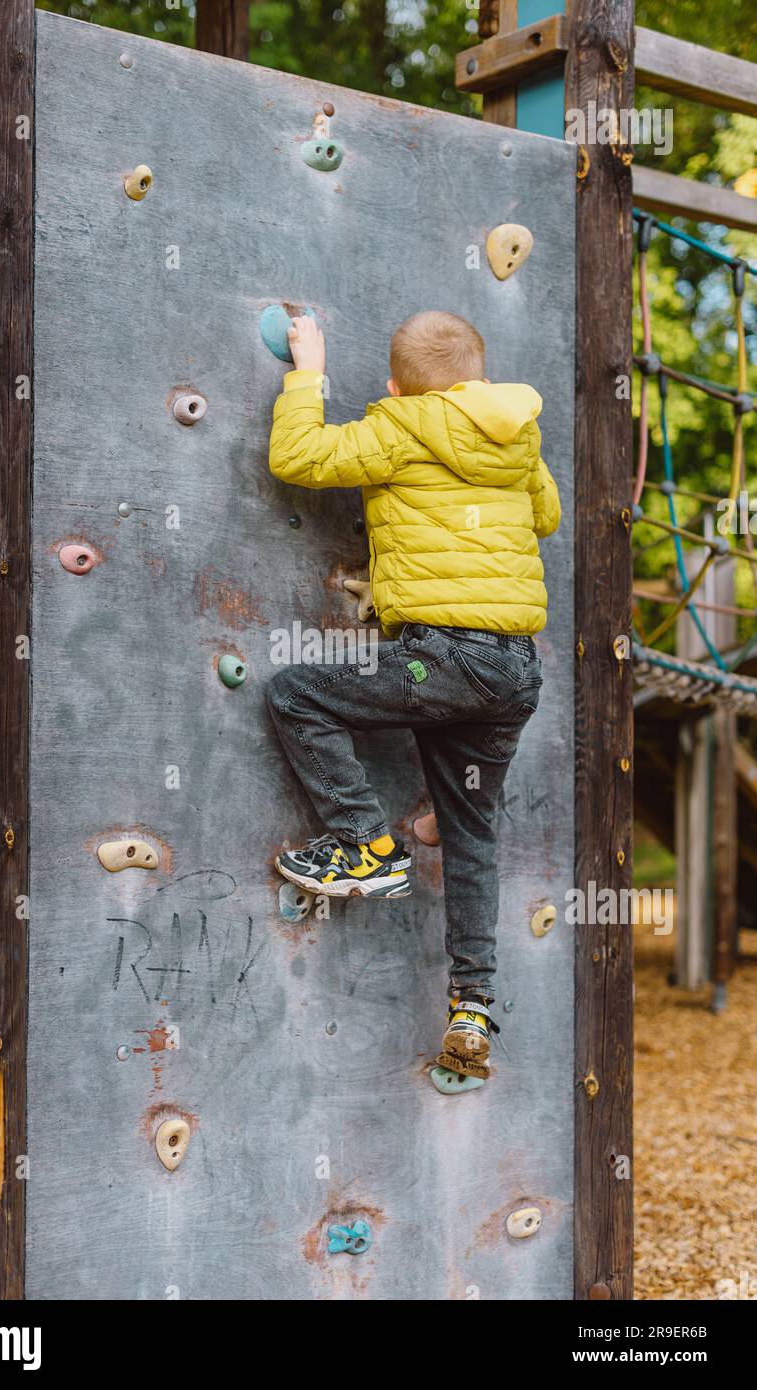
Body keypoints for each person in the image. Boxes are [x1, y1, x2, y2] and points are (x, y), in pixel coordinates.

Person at [265, 310, 560, 1075]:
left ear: (395, 384)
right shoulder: (514, 435)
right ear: (482, 379)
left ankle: (365, 846)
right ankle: (470, 1007)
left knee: (299, 693)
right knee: (470, 835)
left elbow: (298, 454)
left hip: (443, 658)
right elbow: (547, 515)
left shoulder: (399, 425)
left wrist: (307, 369)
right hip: (511, 671)